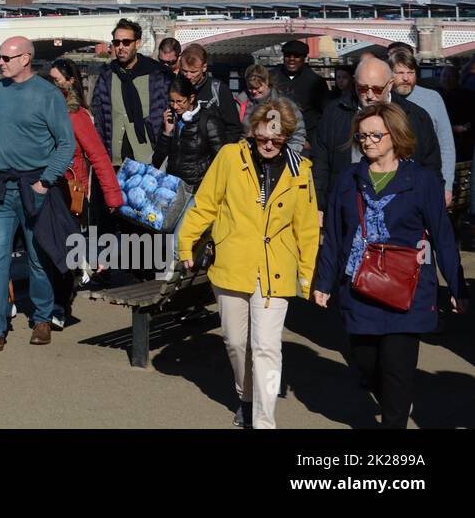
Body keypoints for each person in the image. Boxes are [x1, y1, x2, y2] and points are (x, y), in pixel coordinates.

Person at [313, 103, 465, 429]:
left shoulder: (421, 181)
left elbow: (443, 236)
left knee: (397, 369)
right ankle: (397, 402)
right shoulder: (348, 179)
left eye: (375, 135)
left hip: (406, 292)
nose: (367, 142)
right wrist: (324, 282)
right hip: (360, 289)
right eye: (362, 135)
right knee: (367, 363)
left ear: (395, 136)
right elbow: (336, 237)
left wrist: (456, 286)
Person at [177, 95, 319, 428]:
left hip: (276, 270)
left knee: (267, 348)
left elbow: (308, 228)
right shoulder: (229, 156)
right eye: (263, 135)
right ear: (252, 130)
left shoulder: (301, 170)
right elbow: (206, 203)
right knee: (237, 342)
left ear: (287, 135)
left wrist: (308, 277)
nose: (269, 143)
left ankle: (264, 421)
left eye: (277, 137)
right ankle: (246, 395)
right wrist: (186, 243)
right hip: (232, 264)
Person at [0, 36, 76, 350]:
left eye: (6, 58)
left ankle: (42, 318)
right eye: (0, 57)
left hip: (34, 188)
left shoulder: (48, 95)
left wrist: (45, 181)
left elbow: (66, 144)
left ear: (25, 59)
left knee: (38, 257)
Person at [309, 57, 442, 214]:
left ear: (390, 84)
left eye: (377, 89)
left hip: (402, 209)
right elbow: (320, 162)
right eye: (362, 88)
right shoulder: (334, 113)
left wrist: (432, 210)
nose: (369, 95)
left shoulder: (415, 116)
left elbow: (430, 166)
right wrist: (318, 205)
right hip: (346, 204)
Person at [47, 58, 122, 311]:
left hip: (70, 190)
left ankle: (60, 302)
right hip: (43, 188)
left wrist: (112, 195)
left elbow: (98, 156)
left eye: (56, 81)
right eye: (49, 81)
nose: (52, 87)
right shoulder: (41, 111)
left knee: (64, 244)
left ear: (69, 84)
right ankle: (54, 298)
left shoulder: (76, 116)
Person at [90, 18, 170, 168]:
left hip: (148, 159)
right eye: (116, 43)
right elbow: (99, 118)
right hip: (114, 159)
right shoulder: (106, 76)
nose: (120, 47)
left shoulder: (157, 75)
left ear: (137, 43)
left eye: (126, 42)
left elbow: (169, 118)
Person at [387, 47, 456, 206]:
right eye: (400, 73)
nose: (406, 78)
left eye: (410, 73)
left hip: (426, 182)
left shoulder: (433, 98)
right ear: (390, 75)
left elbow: (446, 144)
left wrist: (447, 185)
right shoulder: (384, 100)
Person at [152, 74, 226, 191]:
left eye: (180, 101)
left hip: (197, 189)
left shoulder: (208, 121)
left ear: (191, 98)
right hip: (172, 186)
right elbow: (157, 161)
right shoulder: (170, 120)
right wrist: (166, 133)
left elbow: (222, 160)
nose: (175, 106)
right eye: (172, 101)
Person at [178, 44, 244, 143]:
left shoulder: (219, 89)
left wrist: (217, 148)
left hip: (212, 153)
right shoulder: (178, 87)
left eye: (193, 72)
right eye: (185, 71)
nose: (188, 76)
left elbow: (234, 128)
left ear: (204, 67)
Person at [240, 64, 306, 154]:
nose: (254, 91)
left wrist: (289, 155)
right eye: (250, 88)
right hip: (248, 155)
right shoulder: (240, 103)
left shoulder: (285, 104)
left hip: (280, 155)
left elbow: (298, 133)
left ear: (266, 82)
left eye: (258, 87)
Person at [269, 39, 330, 132]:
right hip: (274, 131)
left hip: (304, 133)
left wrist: (310, 139)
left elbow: (324, 113)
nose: (291, 59)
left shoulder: (316, 81)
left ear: (304, 58)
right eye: (288, 55)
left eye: (297, 56)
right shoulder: (271, 77)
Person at [437, 65, 475, 167]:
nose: (447, 79)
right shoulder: (434, 95)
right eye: (444, 76)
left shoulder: (468, 95)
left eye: (450, 76)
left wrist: (467, 126)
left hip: (464, 139)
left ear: (457, 79)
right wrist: (452, 128)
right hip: (441, 138)